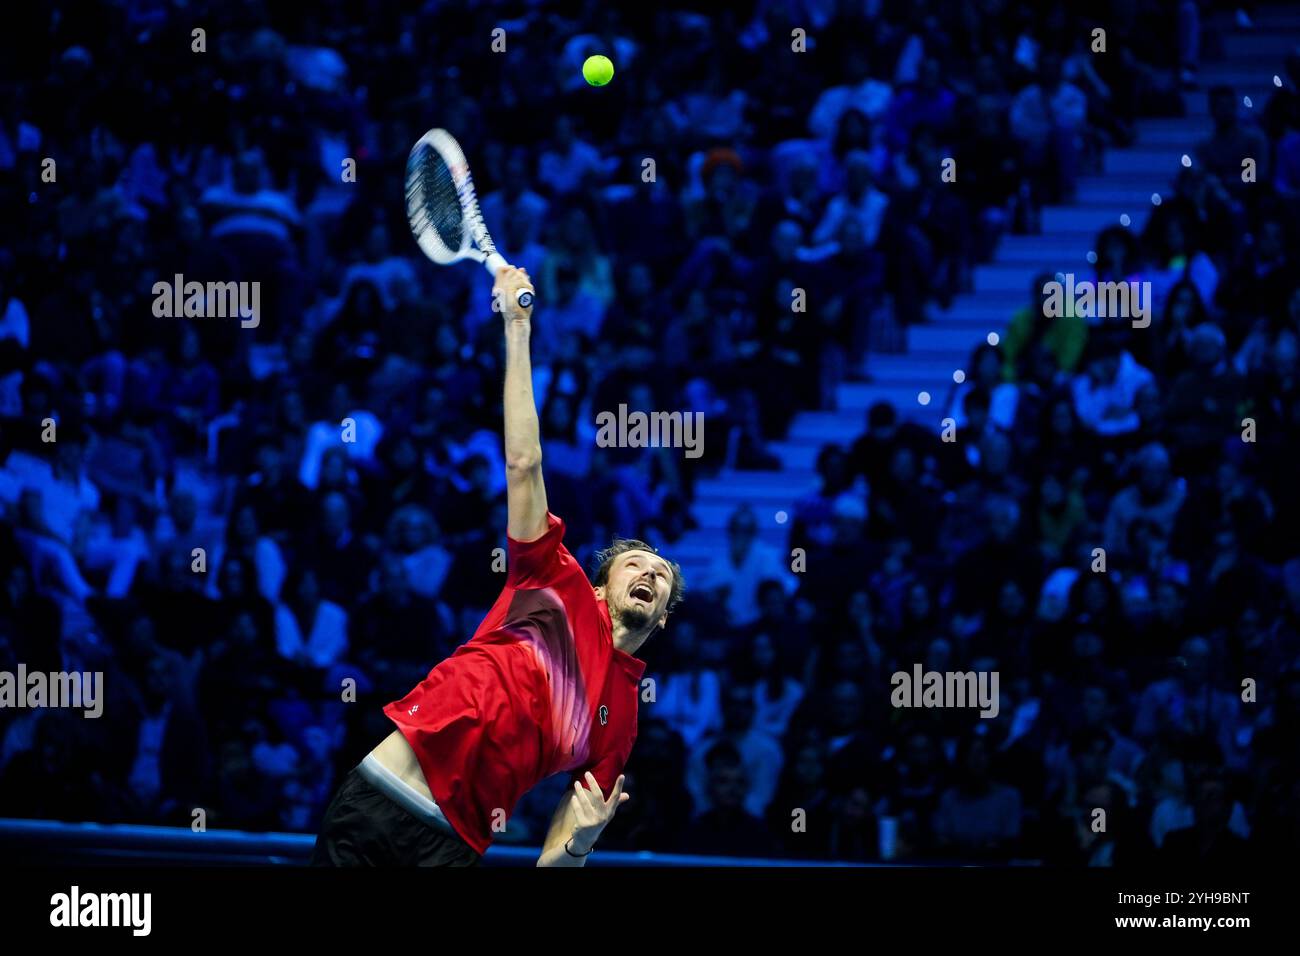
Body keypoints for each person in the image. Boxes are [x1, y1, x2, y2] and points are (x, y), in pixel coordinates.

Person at [312, 267, 685, 866]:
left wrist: (582, 839)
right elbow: (523, 461)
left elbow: (561, 854)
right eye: (635, 562)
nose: (649, 573)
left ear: (663, 617)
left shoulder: (621, 723)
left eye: (661, 575)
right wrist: (517, 325)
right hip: (380, 797)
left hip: (455, 849)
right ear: (599, 582)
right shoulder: (551, 580)